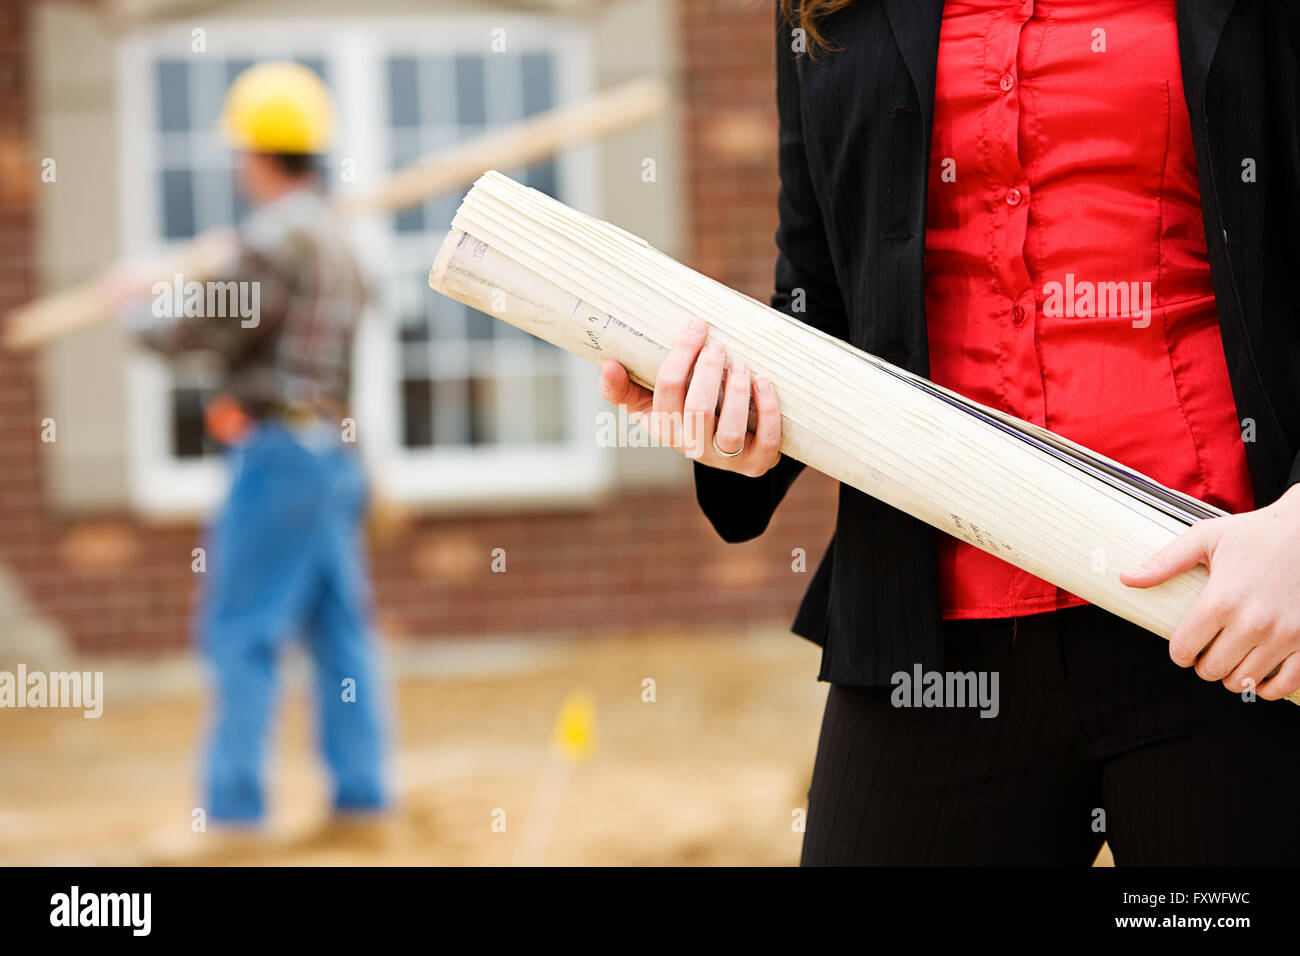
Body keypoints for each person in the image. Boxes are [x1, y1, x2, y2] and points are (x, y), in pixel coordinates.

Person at [599, 0, 1300, 865]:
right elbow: (820, 292)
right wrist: (727, 413)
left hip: (1228, 609)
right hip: (929, 626)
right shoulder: (823, 8)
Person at [103, 61, 387, 830]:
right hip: (332, 452)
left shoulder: (267, 244)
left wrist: (133, 306)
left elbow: (186, 333)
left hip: (278, 457)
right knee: (339, 634)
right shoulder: (339, 243)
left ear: (256, 154)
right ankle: (362, 798)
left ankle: (231, 814)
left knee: (241, 630)